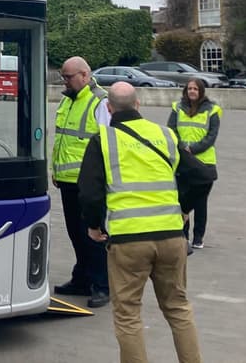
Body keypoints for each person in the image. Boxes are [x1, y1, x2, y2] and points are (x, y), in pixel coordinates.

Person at [79, 82, 203, 363]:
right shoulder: (165, 134)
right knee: (178, 308)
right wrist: (185, 208)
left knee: (128, 315)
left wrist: (94, 225)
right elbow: (203, 176)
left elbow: (89, 192)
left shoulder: (103, 140)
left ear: (108, 109)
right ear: (138, 105)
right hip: (171, 237)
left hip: (128, 240)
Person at [52, 56, 111, 308]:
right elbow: (63, 139)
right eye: (63, 77)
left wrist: (101, 180)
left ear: (85, 75)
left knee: (93, 234)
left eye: (68, 77)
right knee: (76, 233)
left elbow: (108, 142)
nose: (64, 81)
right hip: (67, 180)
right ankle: (82, 278)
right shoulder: (68, 100)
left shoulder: (100, 101)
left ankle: (102, 285)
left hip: (89, 183)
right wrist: (55, 170)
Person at [167, 78, 221, 251]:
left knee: (200, 202)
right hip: (183, 162)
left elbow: (211, 137)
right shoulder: (177, 107)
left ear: (201, 92)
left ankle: (198, 237)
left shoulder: (212, 110)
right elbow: (171, 130)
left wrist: (193, 149)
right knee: (182, 201)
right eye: (189, 88)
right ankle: (184, 237)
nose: (192, 91)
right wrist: (182, 148)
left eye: (195, 89)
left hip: (203, 162)